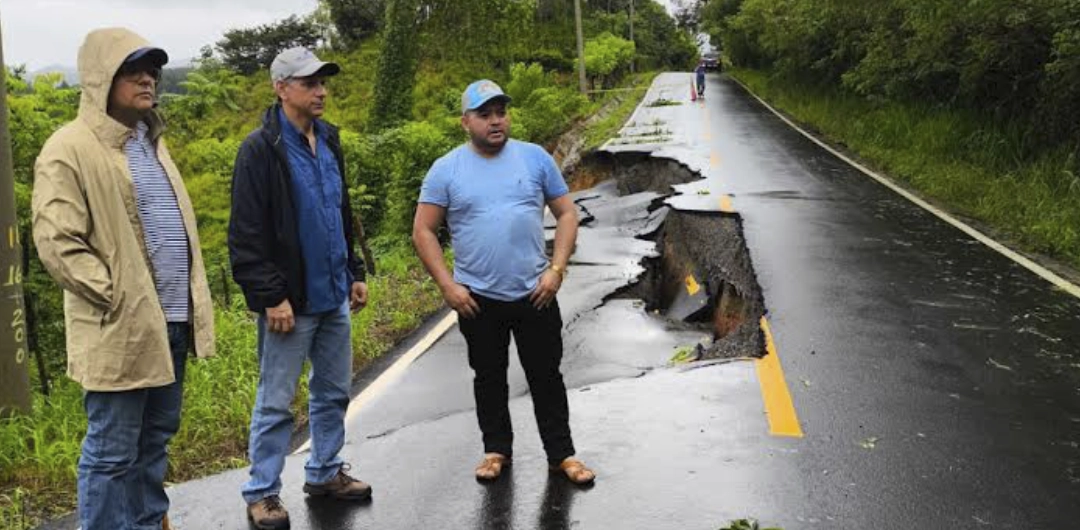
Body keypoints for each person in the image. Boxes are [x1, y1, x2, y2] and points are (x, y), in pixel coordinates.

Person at [32, 28, 215, 530]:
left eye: (152, 70)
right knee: (112, 451)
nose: (147, 79)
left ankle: (148, 523)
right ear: (100, 77)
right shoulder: (69, 148)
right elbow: (57, 241)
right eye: (133, 70)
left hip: (171, 321)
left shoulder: (151, 142)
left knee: (155, 440)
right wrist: (117, 296)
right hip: (120, 326)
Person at [412, 80, 596, 486]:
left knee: (546, 376)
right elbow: (423, 230)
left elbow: (567, 214)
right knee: (488, 376)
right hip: (477, 298)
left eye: (500, 112)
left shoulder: (534, 158)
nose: (495, 121)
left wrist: (556, 269)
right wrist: (448, 287)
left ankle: (561, 454)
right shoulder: (446, 169)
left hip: (536, 292)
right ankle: (496, 450)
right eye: (484, 114)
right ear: (465, 122)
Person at [229, 46, 372, 530]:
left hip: (333, 295)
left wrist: (354, 271)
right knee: (276, 402)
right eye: (310, 83)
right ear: (281, 88)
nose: (321, 91)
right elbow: (246, 235)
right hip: (290, 303)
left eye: (322, 82)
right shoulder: (260, 150)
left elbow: (339, 211)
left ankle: (325, 471)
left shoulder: (328, 139)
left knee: (333, 392)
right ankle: (262, 492)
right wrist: (271, 296)